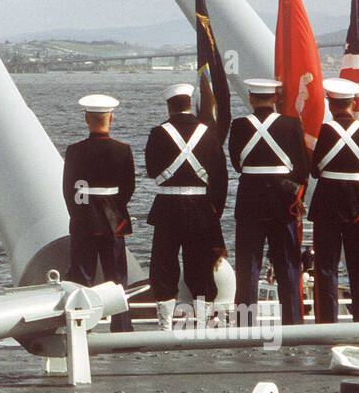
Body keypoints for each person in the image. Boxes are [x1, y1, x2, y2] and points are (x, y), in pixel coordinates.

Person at [144, 83, 229, 329]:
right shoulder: (209, 133)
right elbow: (220, 176)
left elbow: (152, 170)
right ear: (190, 103)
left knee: (163, 265)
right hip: (201, 208)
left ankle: (166, 324)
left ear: (169, 106)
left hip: (167, 207)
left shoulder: (158, 134)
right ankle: (203, 322)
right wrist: (215, 210)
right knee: (200, 265)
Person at [227, 79, 310, 325]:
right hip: (283, 202)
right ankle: (293, 323)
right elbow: (303, 167)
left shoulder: (239, 125)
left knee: (247, 267)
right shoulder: (292, 125)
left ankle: (244, 324)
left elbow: (236, 163)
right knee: (288, 266)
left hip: (250, 200)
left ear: (252, 98)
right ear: (275, 99)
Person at [308, 78, 359, 322]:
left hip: (327, 205)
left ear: (331, 105)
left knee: (325, 269)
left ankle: (327, 323)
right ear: (353, 103)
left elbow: (314, 170)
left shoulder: (324, 132)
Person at [62, 94, 136, 332]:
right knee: (117, 278)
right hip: (114, 218)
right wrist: (115, 207)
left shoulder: (74, 151)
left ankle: (82, 328)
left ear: (87, 119)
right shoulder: (123, 150)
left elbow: (68, 188)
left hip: (83, 217)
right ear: (111, 118)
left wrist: (78, 213)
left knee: (82, 277)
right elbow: (129, 187)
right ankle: (122, 327)